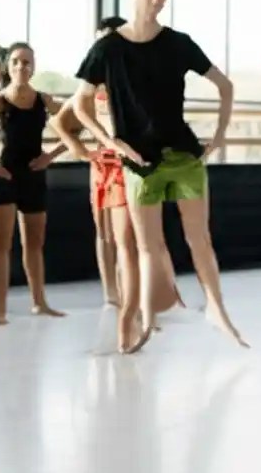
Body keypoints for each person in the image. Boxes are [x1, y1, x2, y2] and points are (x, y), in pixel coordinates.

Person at [71, 0, 243, 353]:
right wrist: (112, 142)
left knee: (199, 238)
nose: (155, 0)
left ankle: (217, 310)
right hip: (138, 163)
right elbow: (80, 105)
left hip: (183, 155)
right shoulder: (107, 49)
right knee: (145, 247)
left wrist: (217, 135)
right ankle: (145, 320)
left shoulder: (178, 42)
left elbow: (225, 85)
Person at [52, 16, 185, 317]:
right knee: (106, 232)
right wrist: (81, 151)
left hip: (133, 164)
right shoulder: (90, 85)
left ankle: (144, 296)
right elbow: (60, 121)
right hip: (103, 165)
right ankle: (112, 293)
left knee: (137, 236)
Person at [0, 36, 68, 324]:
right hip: (5, 177)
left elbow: (76, 123)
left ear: (34, 67)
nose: (22, 66)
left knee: (34, 244)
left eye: (27, 62)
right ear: (8, 67)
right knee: (0, 244)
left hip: (34, 177)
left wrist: (50, 155)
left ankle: (40, 303)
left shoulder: (43, 100)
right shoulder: (0, 101)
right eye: (16, 61)